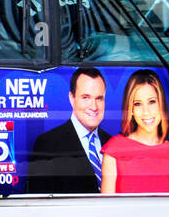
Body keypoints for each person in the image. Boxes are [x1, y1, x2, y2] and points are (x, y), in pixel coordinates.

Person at [101, 69, 169, 194]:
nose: (146, 112)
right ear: (130, 109)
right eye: (138, 104)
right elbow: (108, 207)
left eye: (152, 102)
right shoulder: (114, 149)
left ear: (161, 105)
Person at [26, 66, 112, 194]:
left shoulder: (112, 143)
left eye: (99, 98)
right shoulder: (48, 143)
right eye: (86, 97)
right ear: (72, 98)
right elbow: (37, 202)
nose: (94, 106)